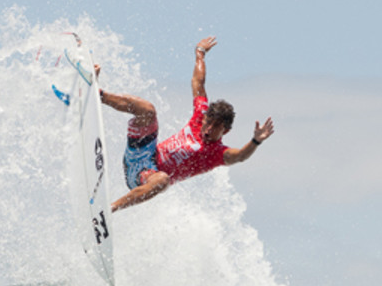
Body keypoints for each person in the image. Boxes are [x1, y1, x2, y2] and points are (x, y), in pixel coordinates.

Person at [97, 37, 275, 213]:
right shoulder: (200, 115)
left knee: (163, 181)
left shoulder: (216, 153)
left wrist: (255, 141)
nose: (209, 129)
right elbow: (198, 82)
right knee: (148, 110)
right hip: (141, 151)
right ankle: (99, 94)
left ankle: (109, 209)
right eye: (208, 123)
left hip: (146, 175)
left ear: (226, 131)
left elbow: (240, 156)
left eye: (216, 128)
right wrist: (200, 53)